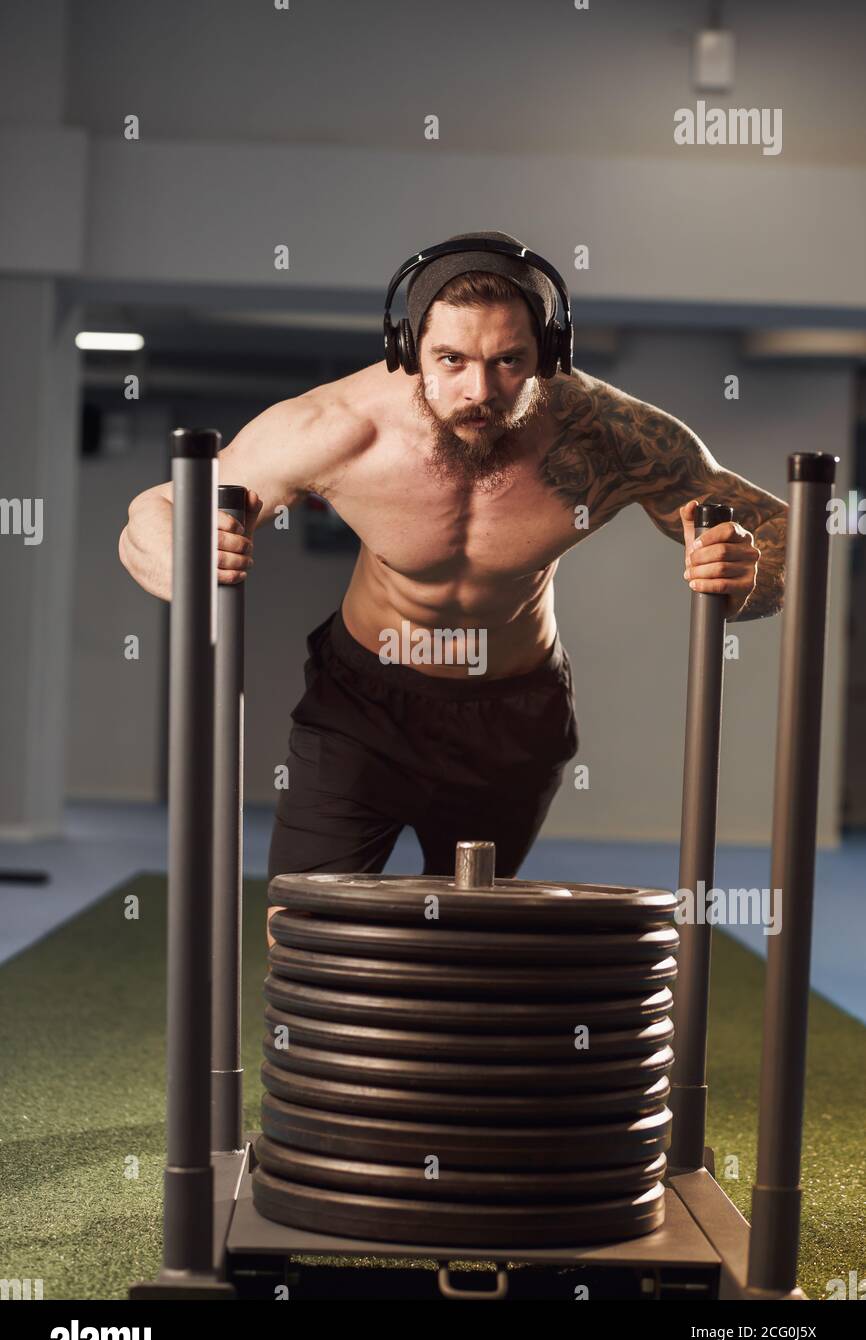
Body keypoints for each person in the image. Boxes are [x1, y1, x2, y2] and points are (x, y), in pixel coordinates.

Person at [119, 231, 784, 947]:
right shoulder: (338, 427)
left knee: (470, 940)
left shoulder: (611, 436)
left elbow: (779, 537)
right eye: (452, 361)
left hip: (512, 712)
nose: (480, 391)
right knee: (302, 927)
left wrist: (745, 577)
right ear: (408, 350)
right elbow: (150, 515)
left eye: (509, 362)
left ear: (549, 354)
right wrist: (187, 563)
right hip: (361, 707)